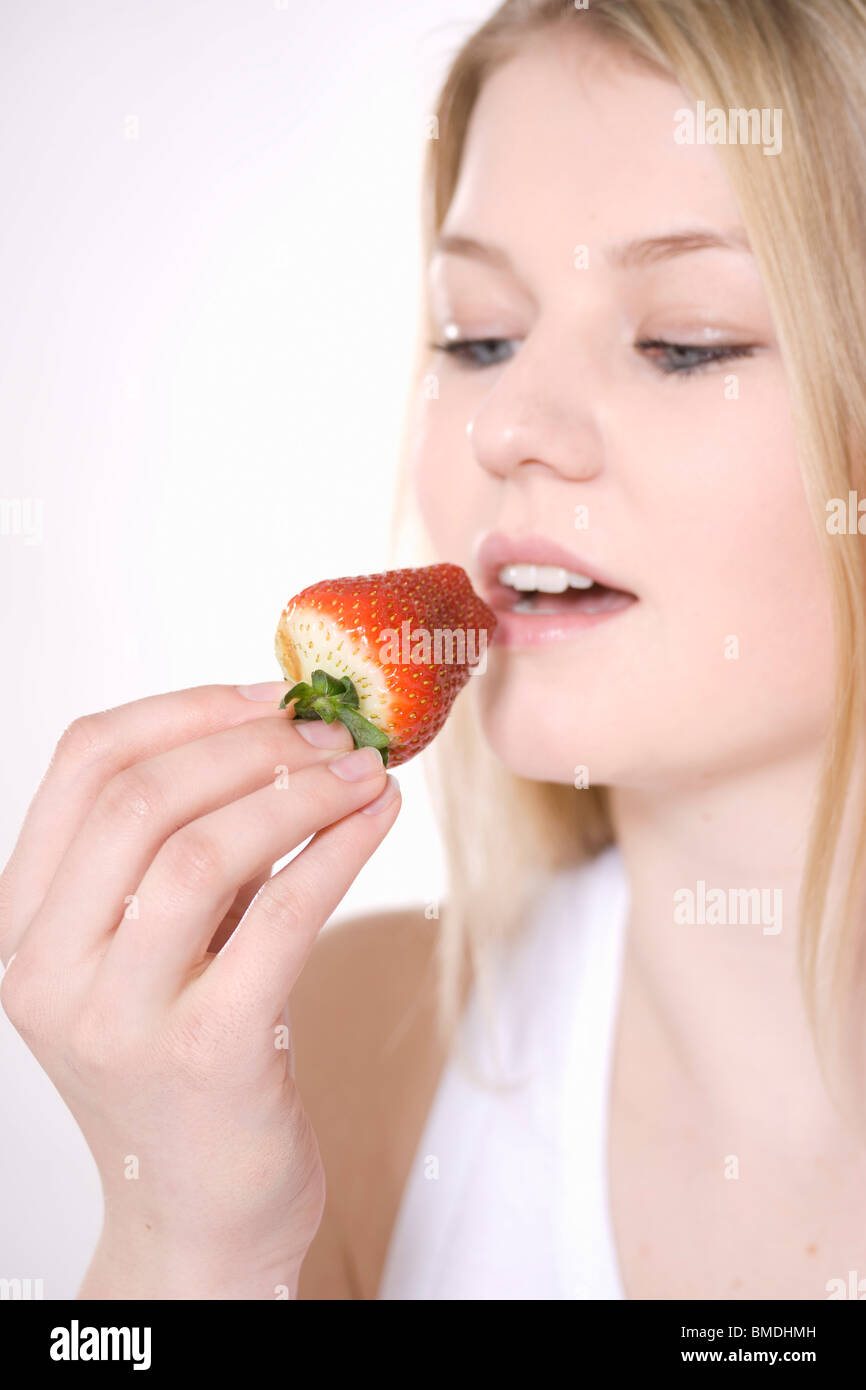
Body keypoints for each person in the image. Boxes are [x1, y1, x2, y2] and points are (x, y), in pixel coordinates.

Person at [3, 0, 866, 1300]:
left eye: (684, 339)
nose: (503, 422)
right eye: (475, 336)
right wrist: (179, 1245)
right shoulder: (337, 1049)